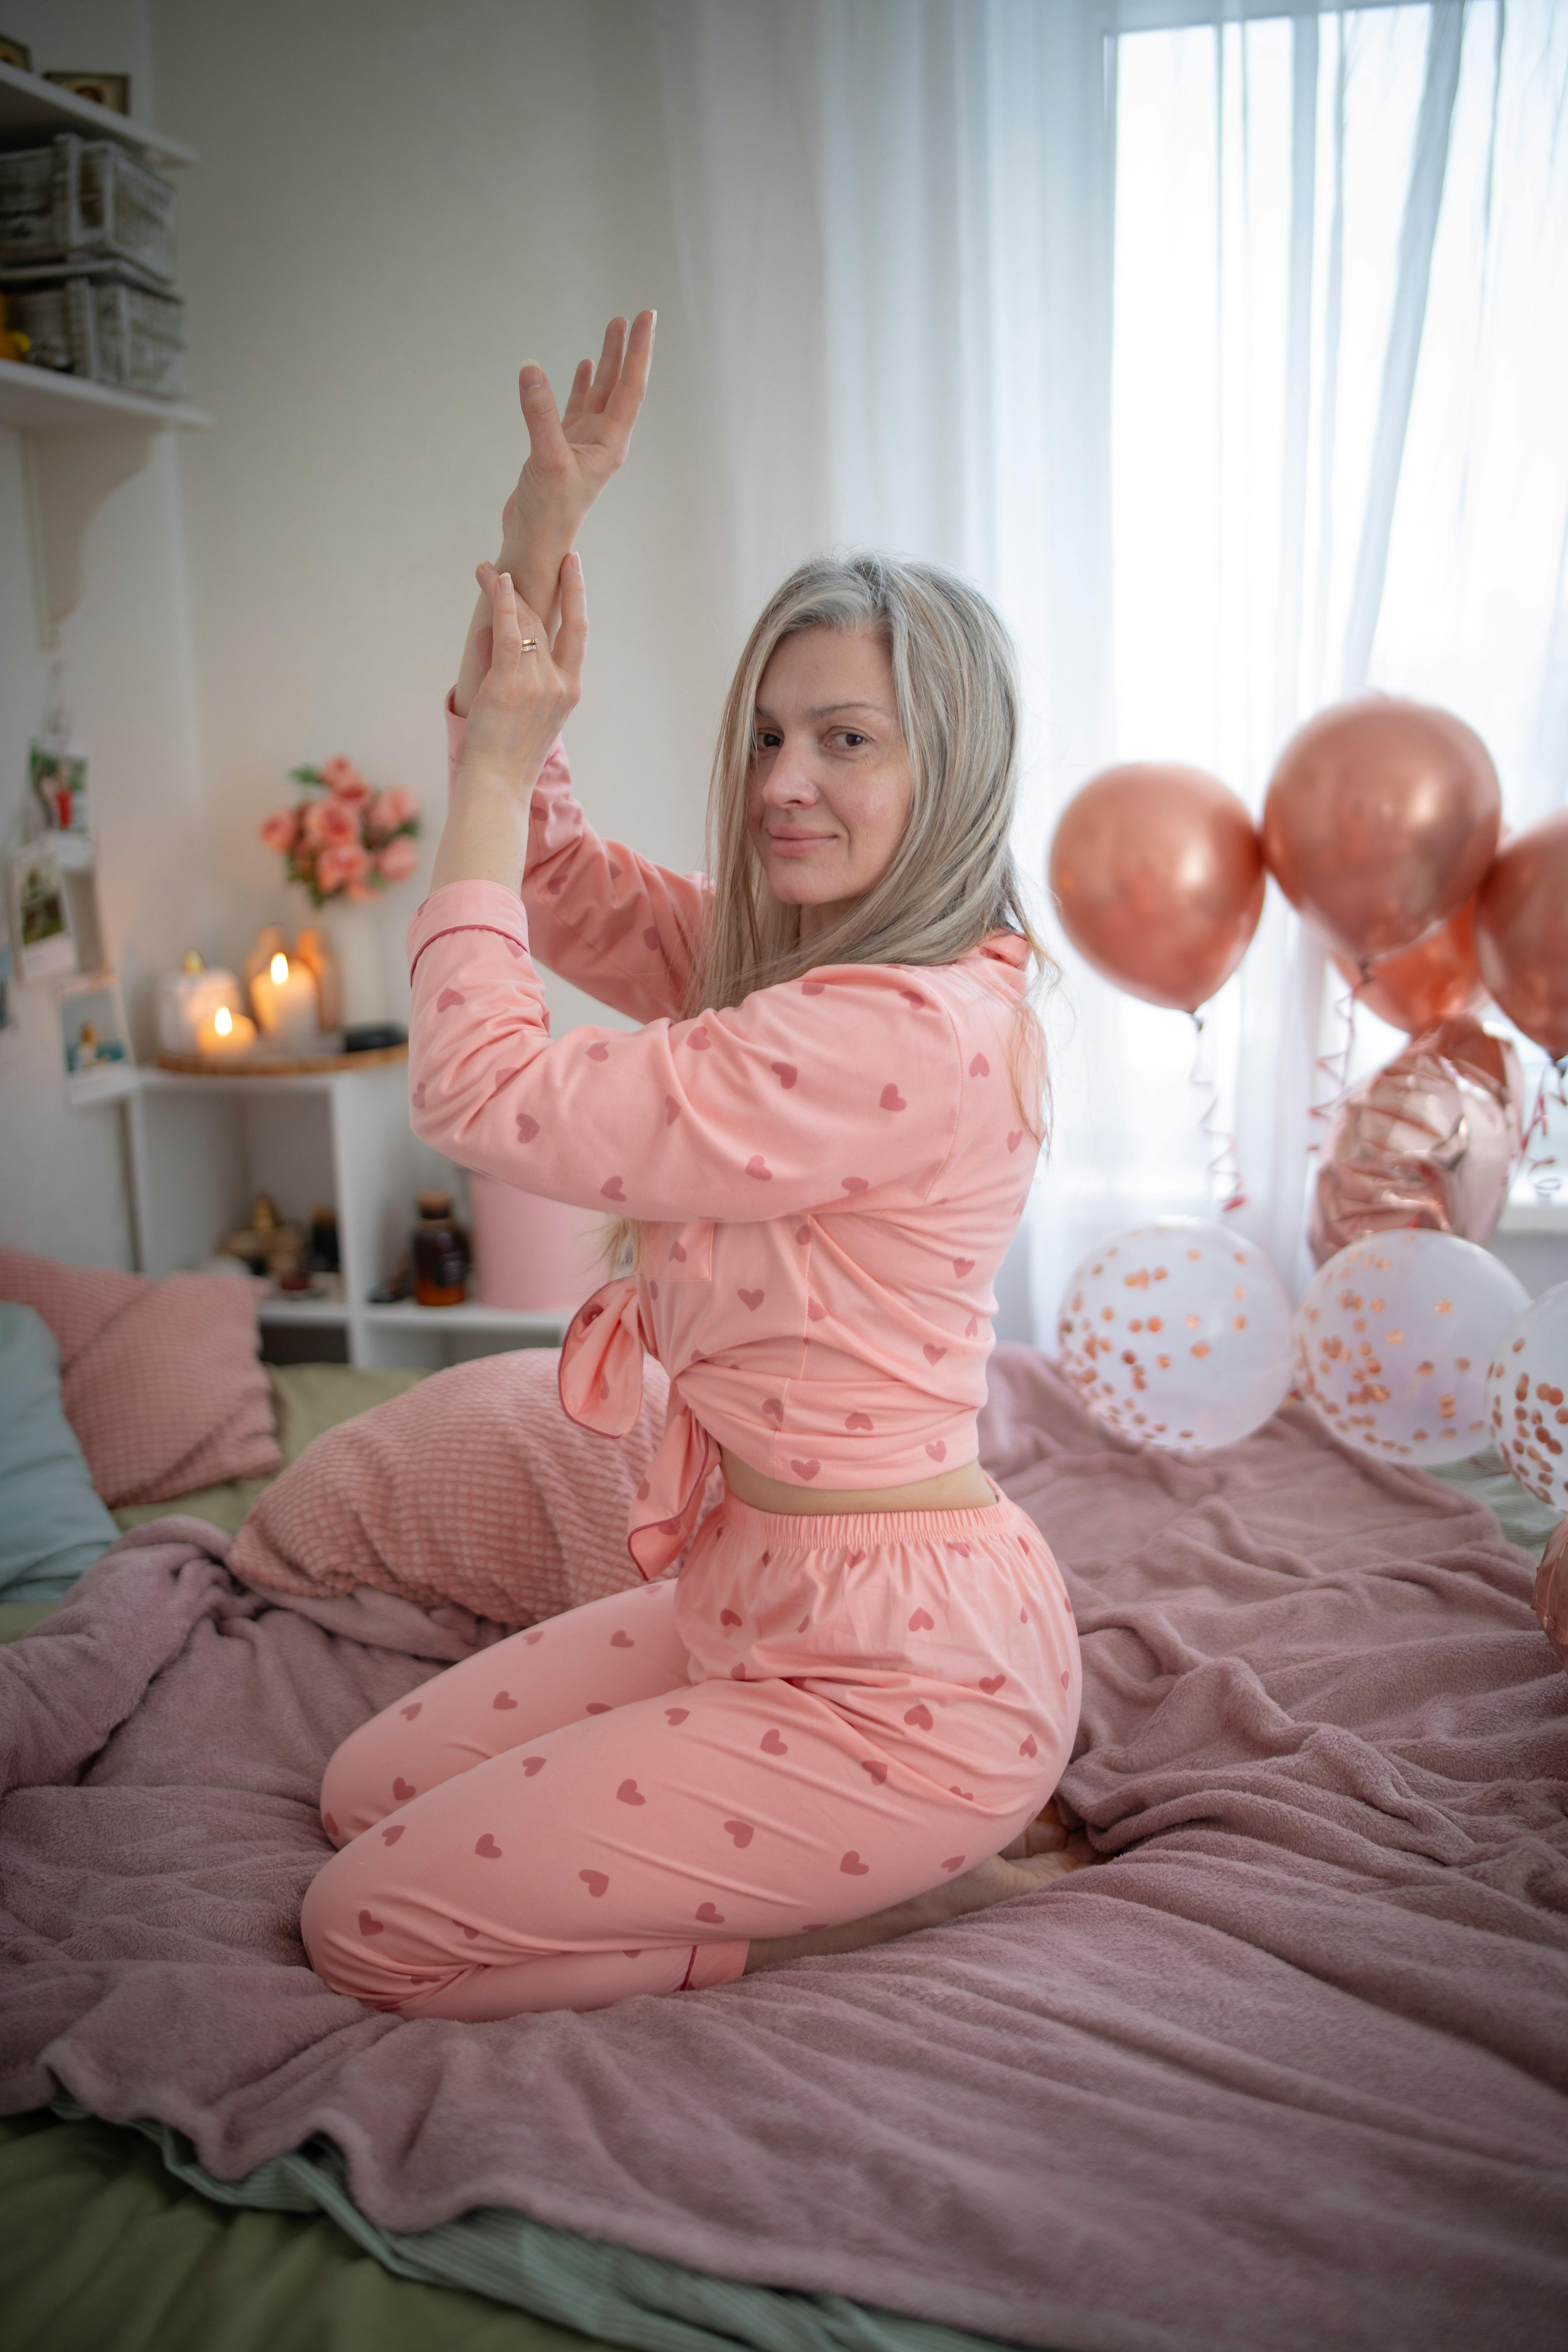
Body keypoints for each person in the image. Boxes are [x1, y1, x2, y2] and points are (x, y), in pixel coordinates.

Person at [301, 315, 1089, 2019]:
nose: (784, 784)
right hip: (762, 1599)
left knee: (370, 1927)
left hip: (908, 1678)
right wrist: (538, 542)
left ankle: (872, 1914)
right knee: (359, 1794)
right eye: (767, 736)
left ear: (946, 762)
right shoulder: (803, 971)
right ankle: (865, 1859)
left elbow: (486, 1086)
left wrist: (496, 763)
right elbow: (566, 883)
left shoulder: (905, 1031)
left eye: (849, 742)